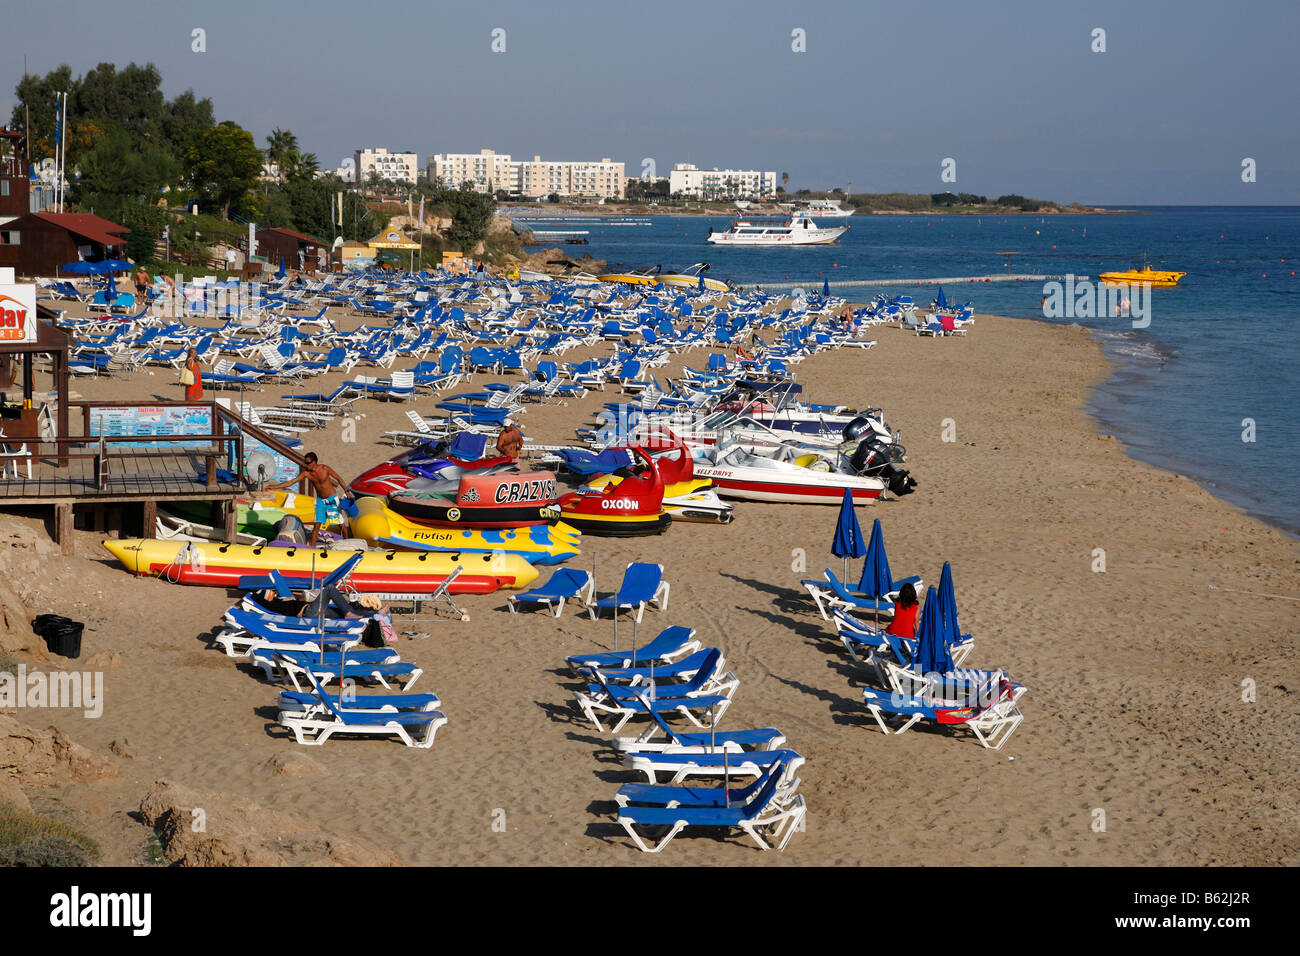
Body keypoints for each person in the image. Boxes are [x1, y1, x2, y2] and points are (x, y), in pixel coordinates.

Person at [268, 452, 350, 545]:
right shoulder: (306, 474)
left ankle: (347, 542)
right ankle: (312, 548)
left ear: (314, 462)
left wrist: (347, 491)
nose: (306, 466)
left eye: (308, 463)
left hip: (331, 499)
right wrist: (274, 487)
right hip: (320, 501)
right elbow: (291, 482)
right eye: (305, 463)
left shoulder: (324, 468)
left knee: (340, 523)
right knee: (316, 526)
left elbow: (339, 479)